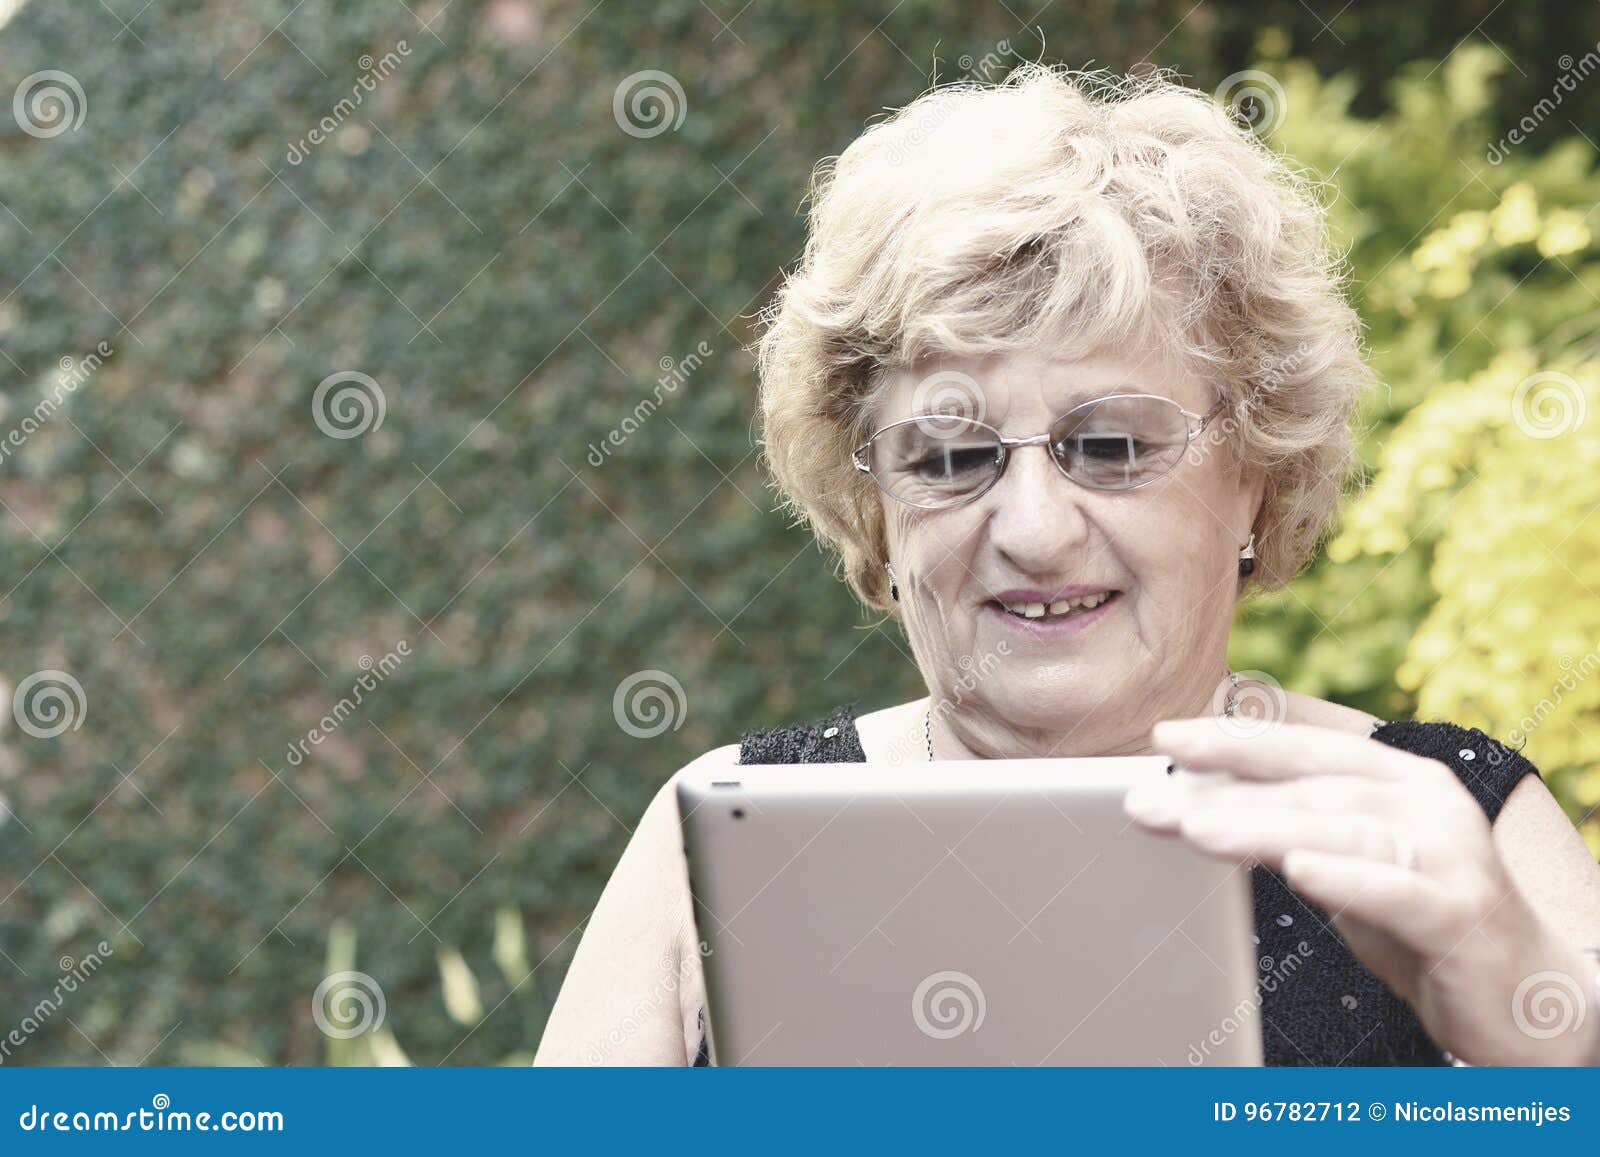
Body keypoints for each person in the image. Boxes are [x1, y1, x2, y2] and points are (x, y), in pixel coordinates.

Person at [535, 65, 1600, 1066]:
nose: (1034, 529)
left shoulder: (1445, 817)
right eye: (951, 457)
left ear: (1255, 475)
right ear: (875, 505)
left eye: (1115, 445)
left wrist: (1536, 1018)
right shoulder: (719, 831)